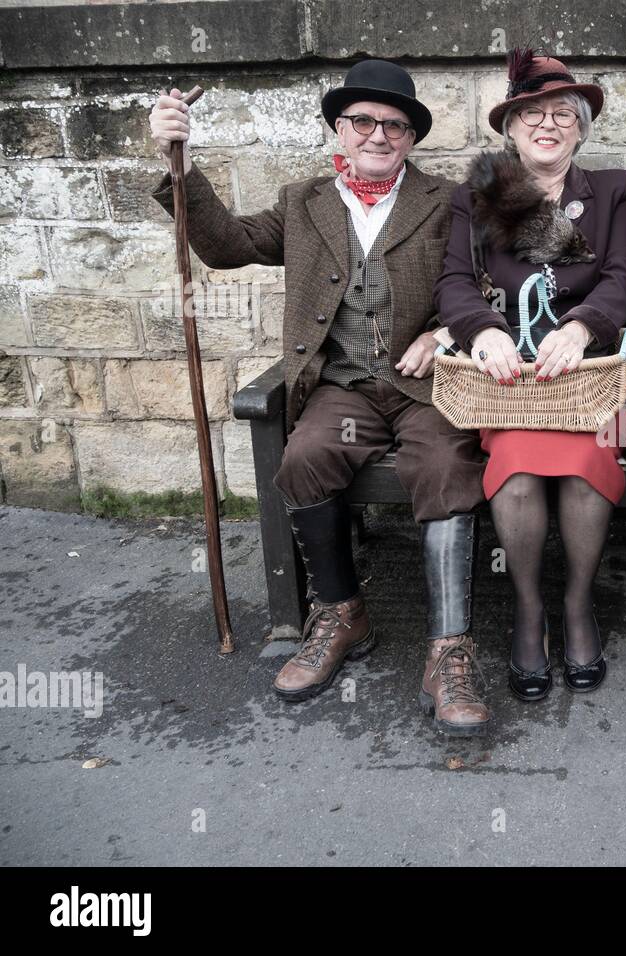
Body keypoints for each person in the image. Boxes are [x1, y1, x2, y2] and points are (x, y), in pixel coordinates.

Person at [148, 59, 492, 735]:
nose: (378, 134)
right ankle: (341, 613)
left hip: (426, 386)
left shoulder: (447, 201)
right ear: (340, 129)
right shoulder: (303, 202)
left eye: (394, 125)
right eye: (362, 120)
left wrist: (449, 332)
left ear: (411, 139)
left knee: (447, 466)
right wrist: (178, 166)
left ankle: (449, 649)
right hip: (343, 388)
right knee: (304, 456)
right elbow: (225, 244)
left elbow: (489, 285)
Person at [434, 49, 626, 701]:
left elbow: (622, 278)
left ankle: (576, 604)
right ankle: (527, 609)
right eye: (531, 115)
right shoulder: (479, 197)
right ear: (511, 129)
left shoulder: (611, 192)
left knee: (583, 475)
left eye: (561, 114)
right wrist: (485, 331)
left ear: (580, 127)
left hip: (588, 377)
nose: (546, 125)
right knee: (517, 479)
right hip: (510, 377)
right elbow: (455, 284)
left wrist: (583, 327)